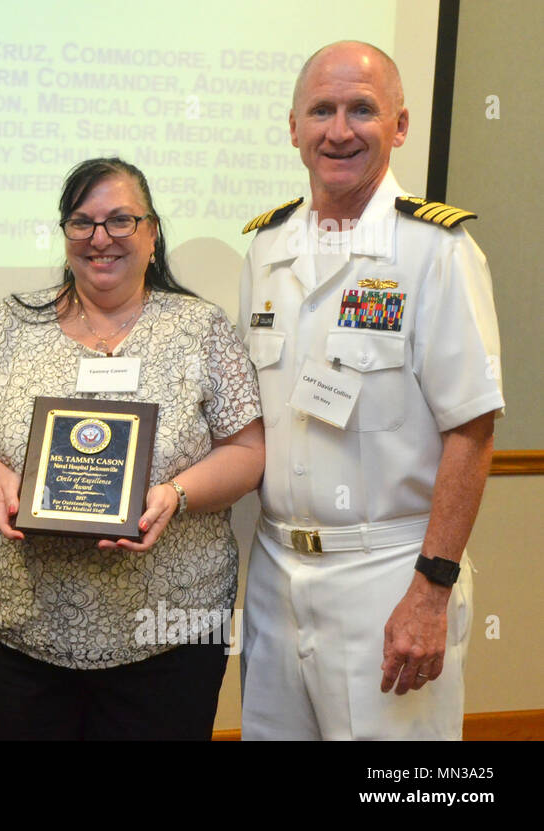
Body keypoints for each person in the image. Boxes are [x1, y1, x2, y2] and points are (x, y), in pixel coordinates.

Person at [0, 158, 264, 740]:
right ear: (65, 236)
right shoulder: (10, 323)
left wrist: (174, 495)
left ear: (152, 232)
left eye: (119, 221)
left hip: (166, 636)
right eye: (81, 222)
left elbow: (248, 449)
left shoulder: (200, 328)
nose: (99, 238)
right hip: (17, 632)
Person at [237, 41, 503, 740]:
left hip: (388, 572)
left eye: (362, 109)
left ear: (401, 126)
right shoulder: (266, 249)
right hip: (275, 574)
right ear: (293, 126)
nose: (339, 129)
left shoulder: (436, 250)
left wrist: (430, 590)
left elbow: (471, 431)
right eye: (320, 110)